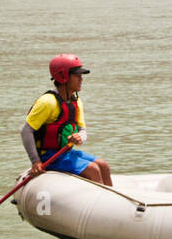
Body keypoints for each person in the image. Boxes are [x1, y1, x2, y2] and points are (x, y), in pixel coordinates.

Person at [20, 54, 112, 185]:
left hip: (66, 153)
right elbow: (25, 131)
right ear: (63, 77)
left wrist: (80, 137)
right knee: (93, 170)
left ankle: (110, 201)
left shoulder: (76, 101)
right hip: (48, 156)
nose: (81, 79)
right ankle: (99, 202)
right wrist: (35, 161)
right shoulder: (47, 102)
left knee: (103, 166)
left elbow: (82, 130)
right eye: (77, 76)